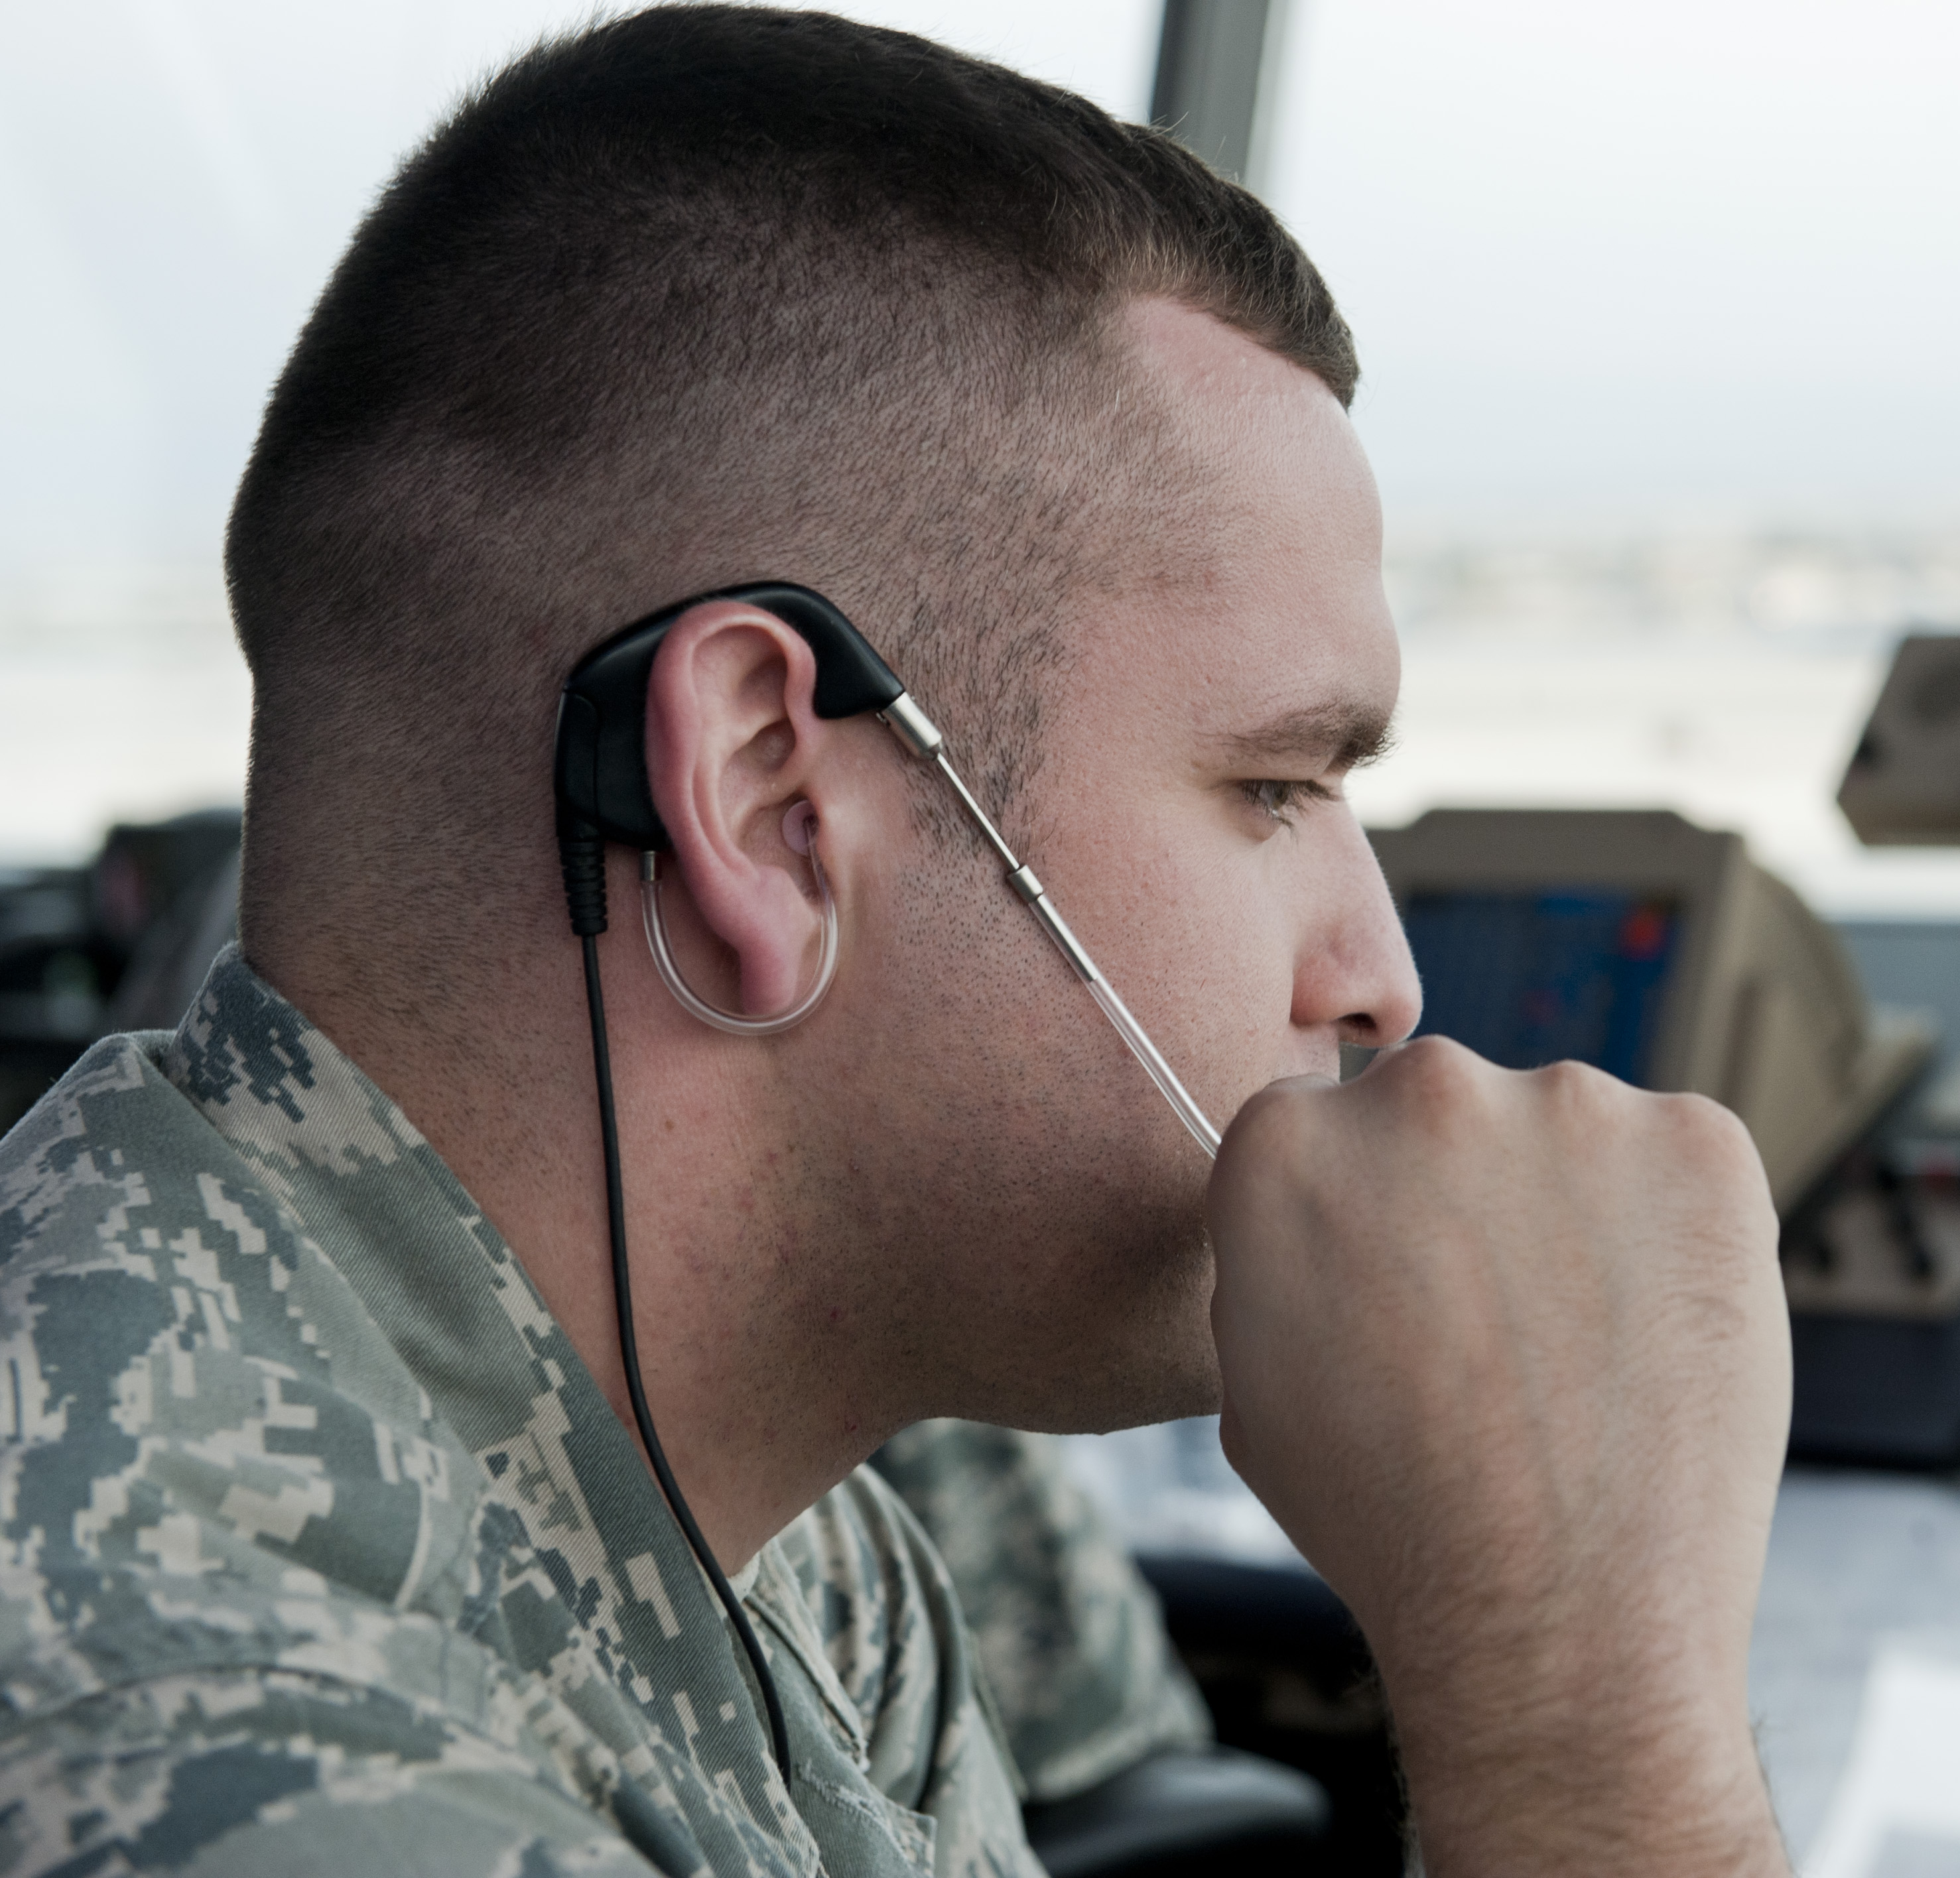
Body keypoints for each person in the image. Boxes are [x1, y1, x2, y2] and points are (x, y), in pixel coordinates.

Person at [0, 7, 1792, 1874]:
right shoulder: (208, 1730)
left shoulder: (787, 1538)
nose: (1379, 982)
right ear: (769, 804)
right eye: (1270, 787)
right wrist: (1583, 1706)